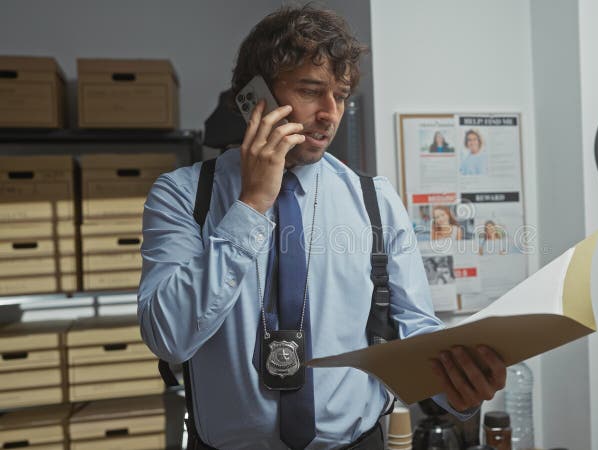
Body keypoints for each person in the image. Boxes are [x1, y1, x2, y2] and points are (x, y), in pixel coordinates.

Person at [137, 5, 505, 450]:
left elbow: (416, 333)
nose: (331, 113)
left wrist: (460, 390)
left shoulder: (376, 200)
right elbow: (168, 338)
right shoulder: (182, 195)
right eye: (312, 91)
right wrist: (252, 204)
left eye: (342, 94)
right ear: (255, 96)